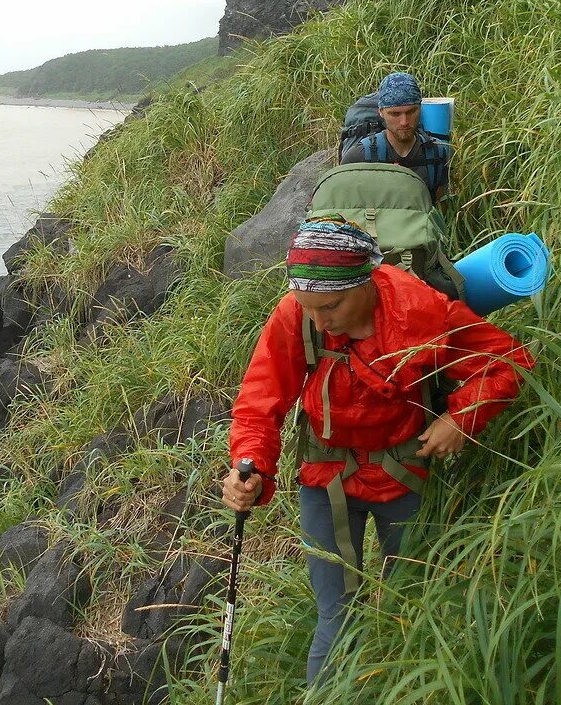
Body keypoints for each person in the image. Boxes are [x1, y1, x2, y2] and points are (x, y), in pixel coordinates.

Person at [221, 217, 533, 684]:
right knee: (336, 618)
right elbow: (260, 401)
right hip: (326, 476)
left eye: (331, 307)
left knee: (415, 604)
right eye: (308, 308)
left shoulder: (421, 312)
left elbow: (507, 360)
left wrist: (461, 418)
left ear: (365, 281)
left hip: (404, 471)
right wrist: (250, 467)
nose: (320, 322)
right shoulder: (297, 315)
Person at [341, 72, 448, 199]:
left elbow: (441, 206)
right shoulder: (359, 156)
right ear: (381, 112)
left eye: (411, 112)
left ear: (420, 108)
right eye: (395, 114)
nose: (404, 122)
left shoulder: (436, 153)